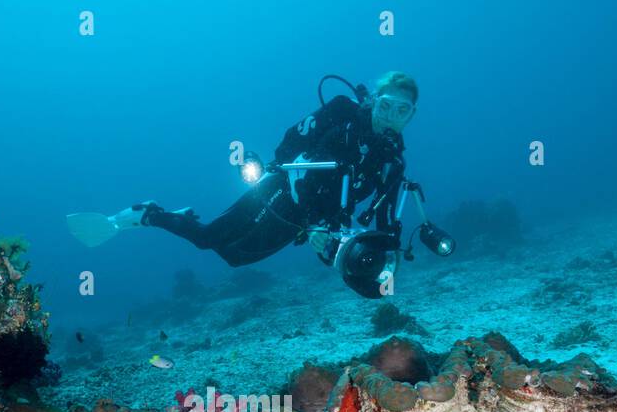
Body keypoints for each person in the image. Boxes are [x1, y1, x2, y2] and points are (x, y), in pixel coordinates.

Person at [66, 72, 419, 282]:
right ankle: (150, 213)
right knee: (208, 238)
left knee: (235, 258)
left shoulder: (392, 164)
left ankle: (163, 215)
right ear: (373, 100)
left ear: (410, 117)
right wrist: (285, 169)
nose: (390, 116)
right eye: (386, 104)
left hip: (308, 221)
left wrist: (379, 259)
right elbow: (292, 137)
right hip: (279, 188)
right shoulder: (342, 111)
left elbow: (384, 225)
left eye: (402, 111)